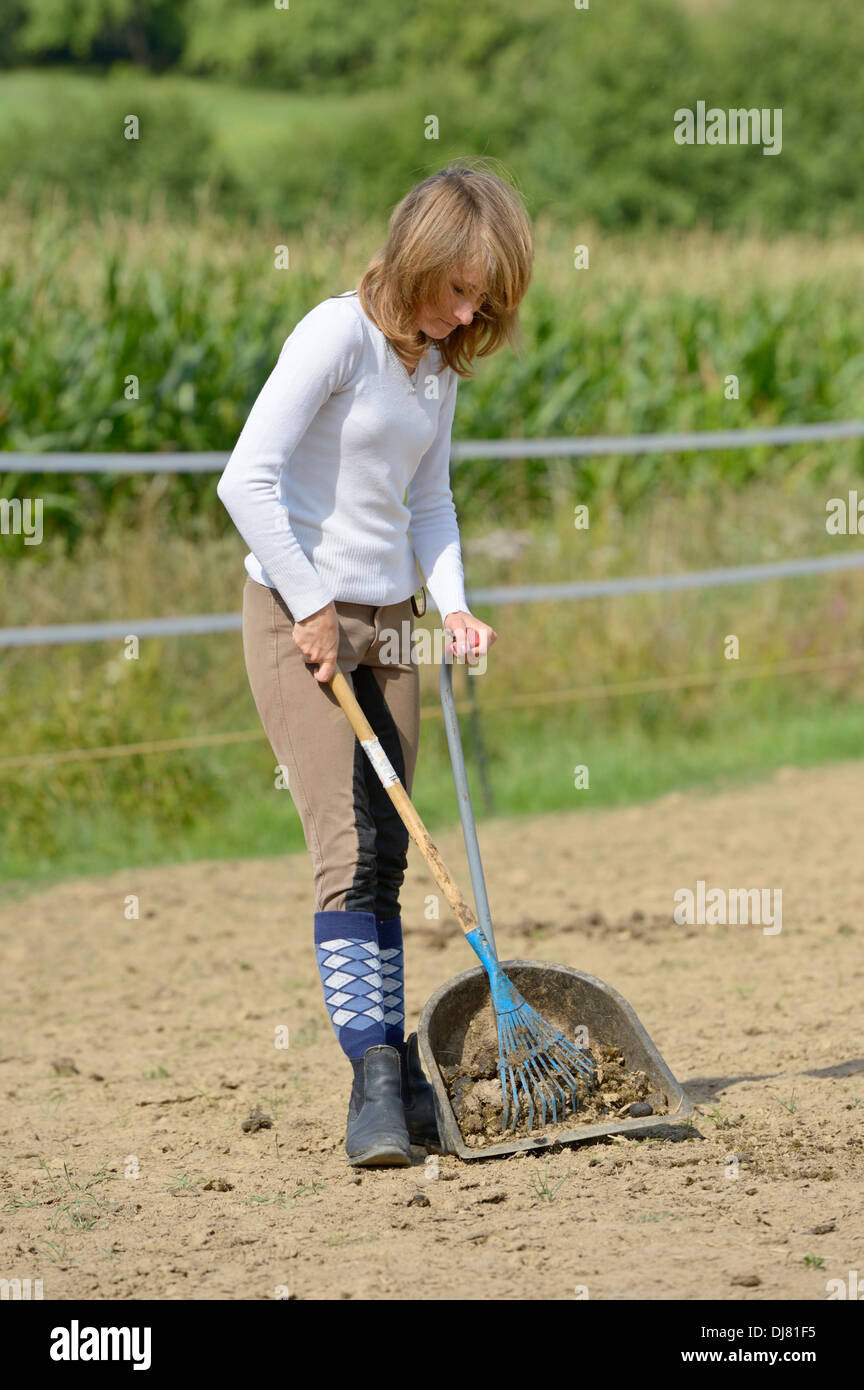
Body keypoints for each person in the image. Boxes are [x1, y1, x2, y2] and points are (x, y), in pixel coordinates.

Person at [217, 158, 533, 1167]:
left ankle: (394, 1066)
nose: (467, 309)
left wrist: (452, 605)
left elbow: (427, 500)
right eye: (457, 286)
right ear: (417, 258)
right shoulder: (335, 335)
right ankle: (371, 1087)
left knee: (392, 854)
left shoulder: (434, 369)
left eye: (485, 297)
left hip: (393, 620)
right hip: (294, 614)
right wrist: (310, 603)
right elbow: (244, 479)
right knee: (346, 851)